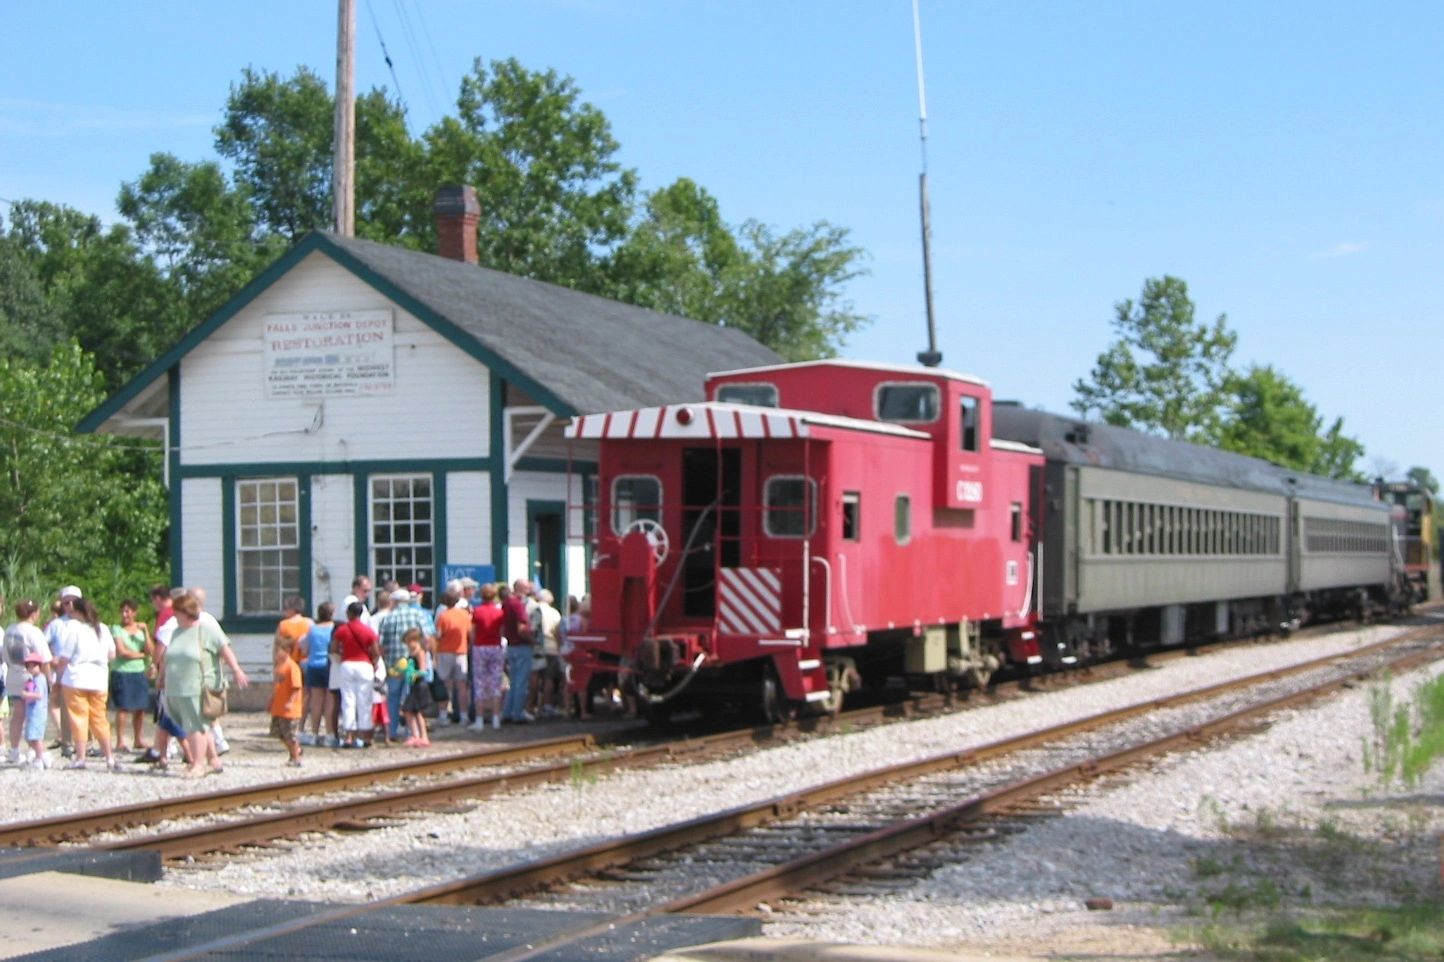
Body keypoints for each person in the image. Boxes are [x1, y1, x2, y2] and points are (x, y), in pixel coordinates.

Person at [162, 591, 249, 779]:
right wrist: (161, 676)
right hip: (177, 687)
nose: (174, 616)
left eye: (176, 612)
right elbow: (169, 657)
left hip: (198, 686)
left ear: (186, 612)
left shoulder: (207, 630)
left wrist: (237, 670)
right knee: (197, 725)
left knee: (196, 726)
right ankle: (214, 761)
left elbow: (225, 649)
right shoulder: (177, 632)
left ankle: (197, 765)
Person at [57, 597, 118, 771]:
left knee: (79, 717)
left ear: (77, 612)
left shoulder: (74, 630)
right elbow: (112, 654)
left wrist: (58, 677)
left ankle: (81, 757)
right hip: (98, 677)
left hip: (76, 677)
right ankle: (109, 757)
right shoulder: (103, 629)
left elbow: (65, 658)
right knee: (99, 718)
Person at [376, 588, 433, 740]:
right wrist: (426, 655)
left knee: (393, 699)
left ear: (393, 601)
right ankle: (412, 732)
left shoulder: (388, 618)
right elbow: (427, 638)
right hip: (414, 663)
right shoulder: (419, 614)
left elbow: (381, 644)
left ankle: (392, 731)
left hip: (394, 664)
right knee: (411, 700)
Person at [4, 601, 49, 763]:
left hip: (13, 674)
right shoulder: (34, 632)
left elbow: (4, 655)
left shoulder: (9, 629)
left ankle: (14, 749)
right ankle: (33, 750)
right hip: (29, 677)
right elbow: (44, 657)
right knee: (33, 714)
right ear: (34, 613)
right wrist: (48, 680)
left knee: (17, 715)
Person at [331, 601, 380, 748]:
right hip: (365, 665)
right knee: (365, 701)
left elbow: (334, 648)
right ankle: (366, 736)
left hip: (347, 664)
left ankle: (349, 737)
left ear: (349, 613)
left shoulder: (342, 630)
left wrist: (343, 653)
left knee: (348, 701)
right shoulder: (368, 631)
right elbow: (376, 652)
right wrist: (374, 663)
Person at [108, 599, 151, 753]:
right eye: (123, 611)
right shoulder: (117, 629)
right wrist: (141, 655)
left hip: (139, 671)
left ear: (134, 612)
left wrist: (145, 632)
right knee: (123, 707)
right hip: (122, 671)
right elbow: (122, 652)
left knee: (140, 707)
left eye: (128, 611)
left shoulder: (140, 631)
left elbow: (150, 650)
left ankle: (138, 738)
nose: (125, 614)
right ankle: (120, 740)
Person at [297, 602, 335, 746]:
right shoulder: (333, 628)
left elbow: (304, 649)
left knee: (316, 702)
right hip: (328, 665)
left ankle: (314, 733)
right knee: (329, 701)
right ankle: (330, 734)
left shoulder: (312, 629)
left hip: (313, 666)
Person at [469, 583, 505, 730]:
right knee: (496, 683)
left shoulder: (477, 611)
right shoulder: (499, 612)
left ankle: (479, 720)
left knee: (479, 684)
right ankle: (496, 718)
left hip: (480, 647)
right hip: (495, 647)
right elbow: (502, 631)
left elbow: (472, 632)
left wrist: (473, 645)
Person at [433, 588, 471, 727]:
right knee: (461, 686)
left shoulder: (443, 616)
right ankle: (463, 715)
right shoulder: (465, 615)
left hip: (445, 652)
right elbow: (469, 633)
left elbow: (438, 635)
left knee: (444, 685)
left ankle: (443, 715)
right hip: (461, 652)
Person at [501, 579, 535, 723]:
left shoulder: (506, 603)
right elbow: (521, 628)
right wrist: (532, 640)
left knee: (513, 681)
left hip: (510, 645)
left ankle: (507, 712)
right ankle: (518, 713)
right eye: (527, 588)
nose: (529, 591)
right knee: (521, 682)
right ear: (521, 589)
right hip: (522, 645)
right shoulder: (518, 604)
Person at [270, 634, 304, 767]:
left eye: (278, 651)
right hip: (279, 707)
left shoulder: (292, 667)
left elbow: (296, 687)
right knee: (279, 733)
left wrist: (291, 701)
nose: (276, 654)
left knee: (290, 734)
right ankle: (295, 751)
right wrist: (271, 700)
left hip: (291, 709)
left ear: (288, 651)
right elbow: (277, 687)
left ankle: (295, 757)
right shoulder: (279, 667)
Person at [397, 628, 433, 747]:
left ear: (415, 640)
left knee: (413, 711)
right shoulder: (412, 652)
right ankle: (416, 735)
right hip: (413, 685)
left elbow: (423, 670)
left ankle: (421, 736)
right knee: (411, 711)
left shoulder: (419, 652)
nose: (407, 645)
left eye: (408, 642)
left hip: (419, 685)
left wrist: (413, 673)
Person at [20, 652, 50, 769]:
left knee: (36, 737)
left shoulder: (40, 679)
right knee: (29, 736)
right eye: (29, 666)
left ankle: (39, 759)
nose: (31, 669)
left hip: (38, 714)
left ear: (40, 666)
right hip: (32, 713)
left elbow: (39, 695)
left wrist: (25, 694)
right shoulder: (33, 679)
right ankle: (41, 756)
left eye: (34, 666)